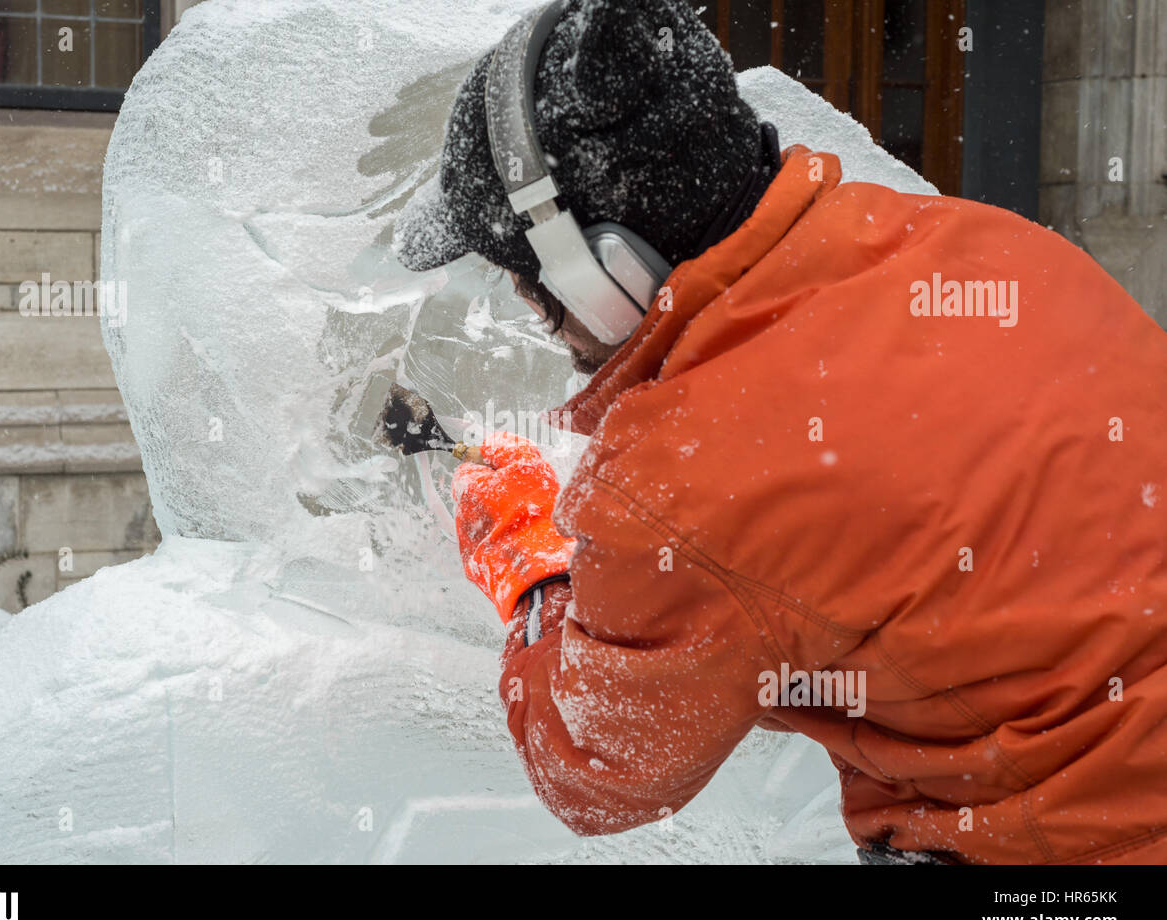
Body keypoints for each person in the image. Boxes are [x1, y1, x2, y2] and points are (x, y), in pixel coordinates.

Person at [393, 0, 1167, 864]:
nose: (535, 313)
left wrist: (536, 564)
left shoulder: (689, 479)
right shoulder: (992, 247)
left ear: (599, 266)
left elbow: (592, 768)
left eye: (531, 285)